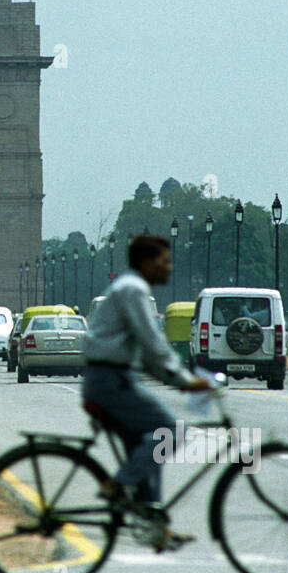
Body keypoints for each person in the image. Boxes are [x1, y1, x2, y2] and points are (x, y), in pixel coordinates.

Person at [81, 235, 211, 551]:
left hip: (111, 379)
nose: (170, 267)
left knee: (149, 451)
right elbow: (152, 343)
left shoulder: (129, 289)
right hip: (111, 382)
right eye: (164, 261)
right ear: (146, 262)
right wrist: (184, 380)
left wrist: (177, 379)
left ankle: (156, 526)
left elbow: (148, 355)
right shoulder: (134, 290)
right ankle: (117, 484)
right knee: (168, 432)